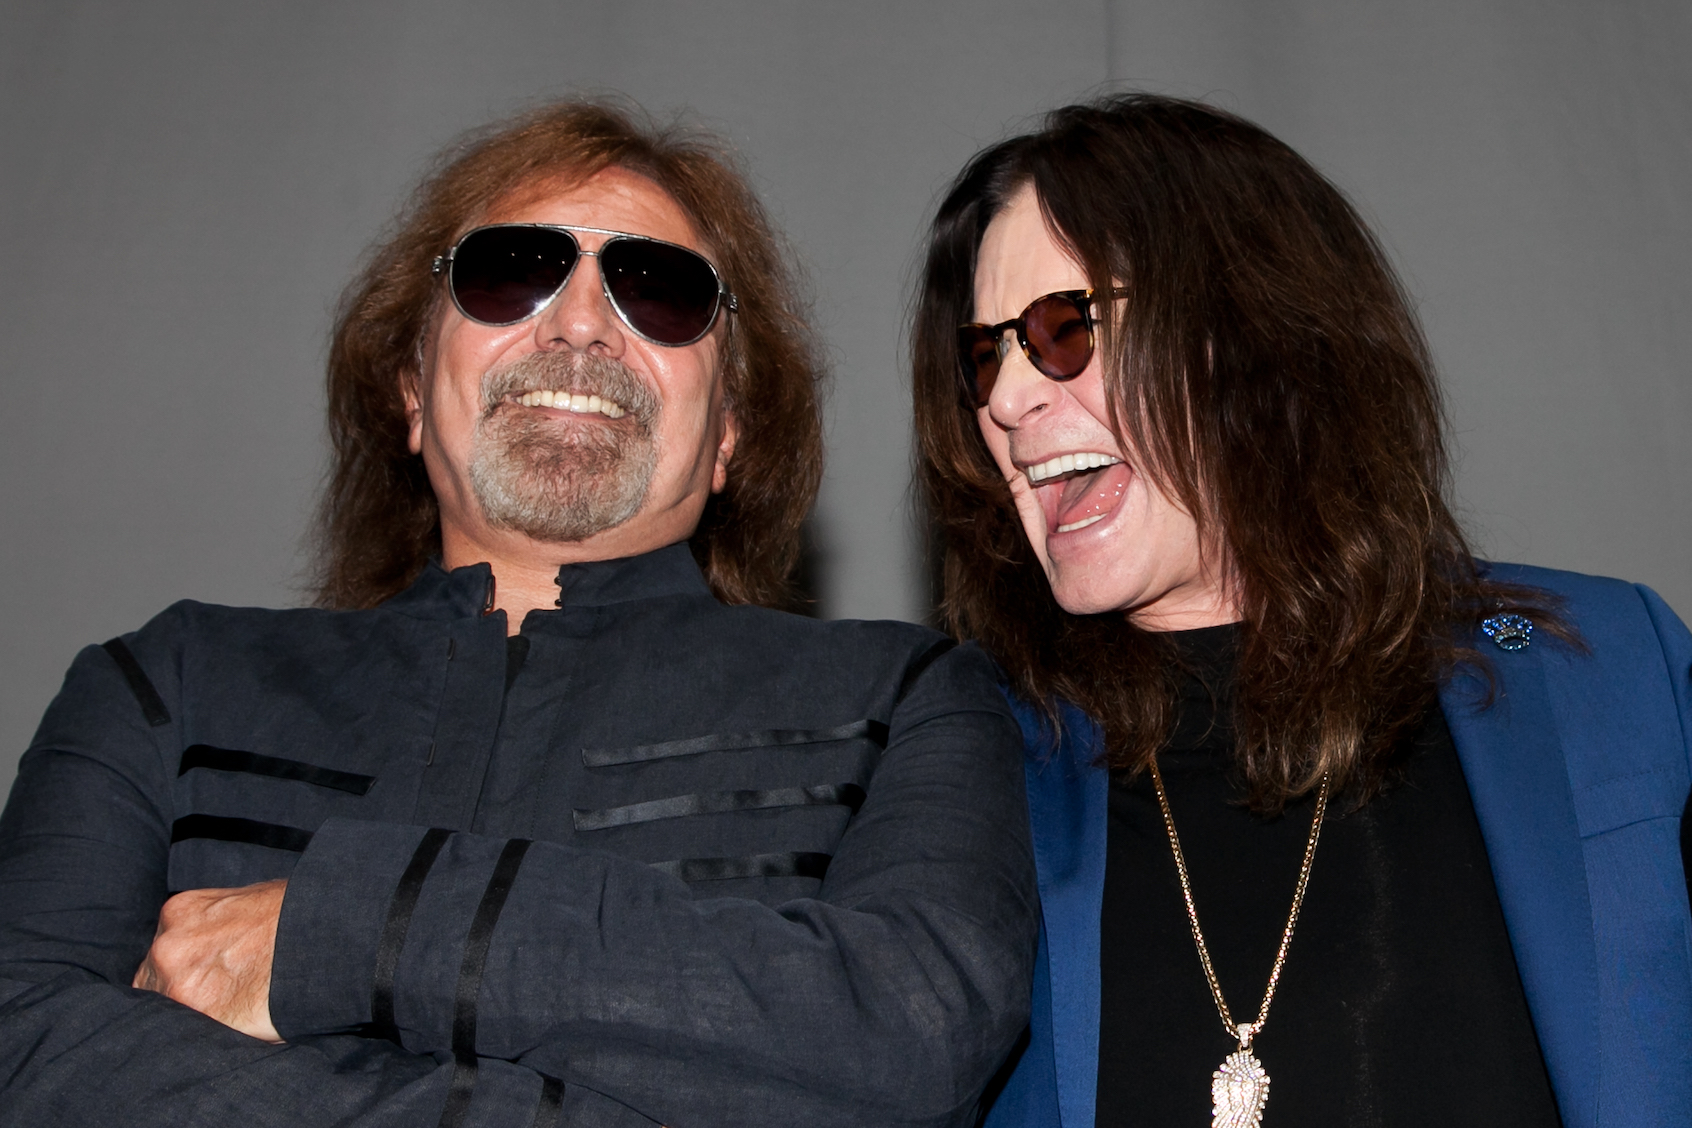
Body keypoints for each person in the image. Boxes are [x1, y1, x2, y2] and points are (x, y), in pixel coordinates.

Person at [0, 101, 1038, 1128]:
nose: (582, 321)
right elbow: (21, 1050)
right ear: (410, 387)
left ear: (730, 430)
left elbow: (913, 1032)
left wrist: (356, 928)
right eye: (511, 270)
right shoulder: (165, 686)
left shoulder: (906, 700)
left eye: (661, 292)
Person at [911, 95, 1691, 1127]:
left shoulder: (1608, 671)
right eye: (984, 356)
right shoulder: (969, 774)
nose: (1006, 401)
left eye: (1063, 331)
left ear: (1255, 335)